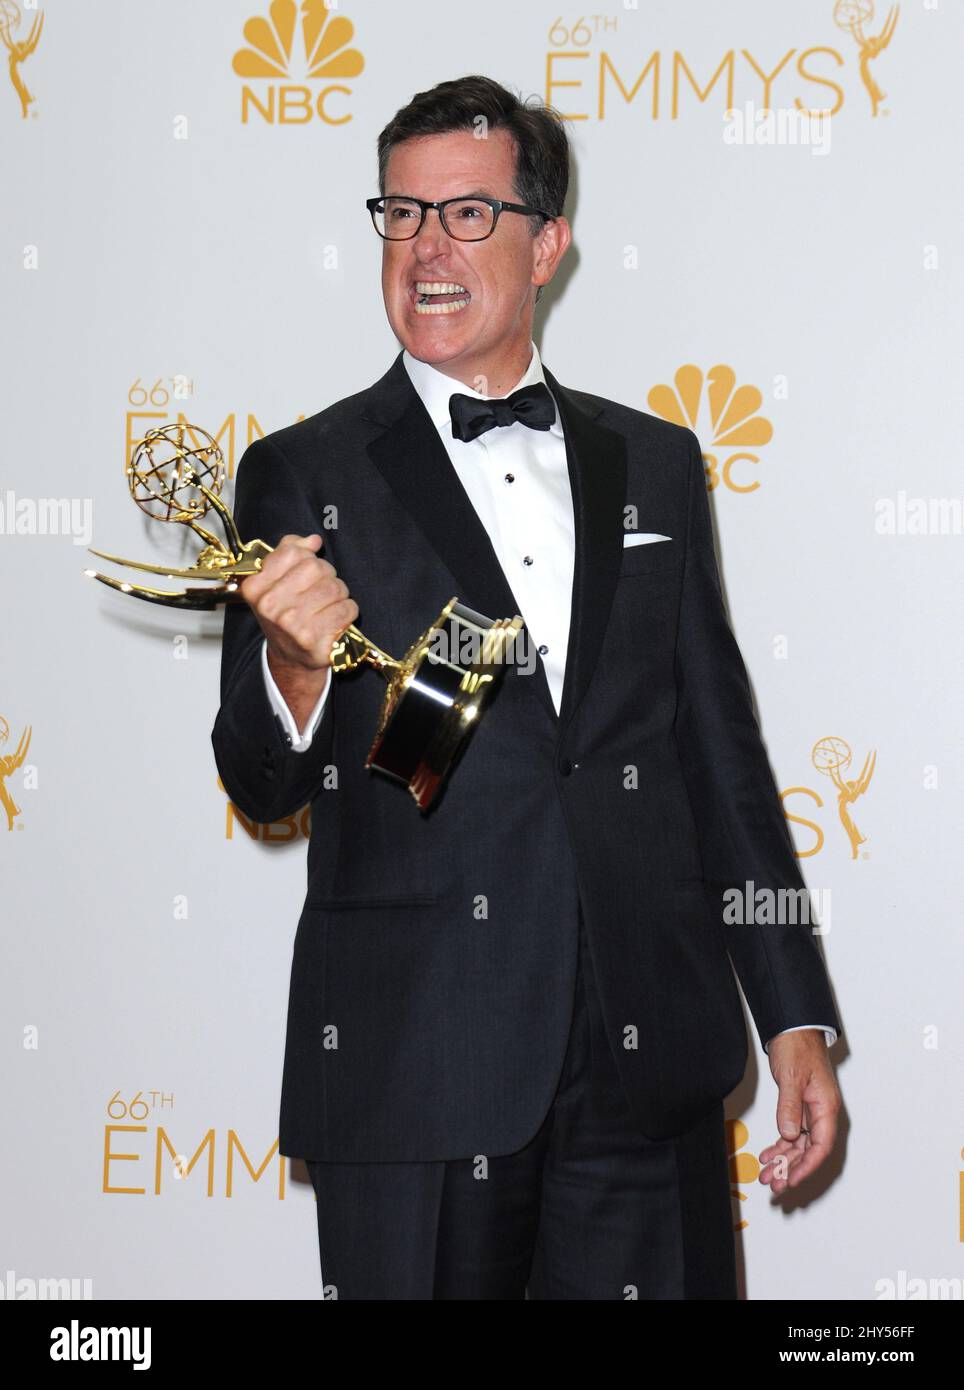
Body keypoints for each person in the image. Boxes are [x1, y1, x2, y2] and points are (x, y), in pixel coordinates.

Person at [211, 75, 843, 1301]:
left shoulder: (651, 463)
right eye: (400, 214)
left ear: (546, 244)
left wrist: (794, 1015)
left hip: (644, 1057)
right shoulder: (303, 470)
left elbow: (717, 755)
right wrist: (293, 661)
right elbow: (262, 779)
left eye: (466, 215)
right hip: (421, 1064)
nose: (426, 249)